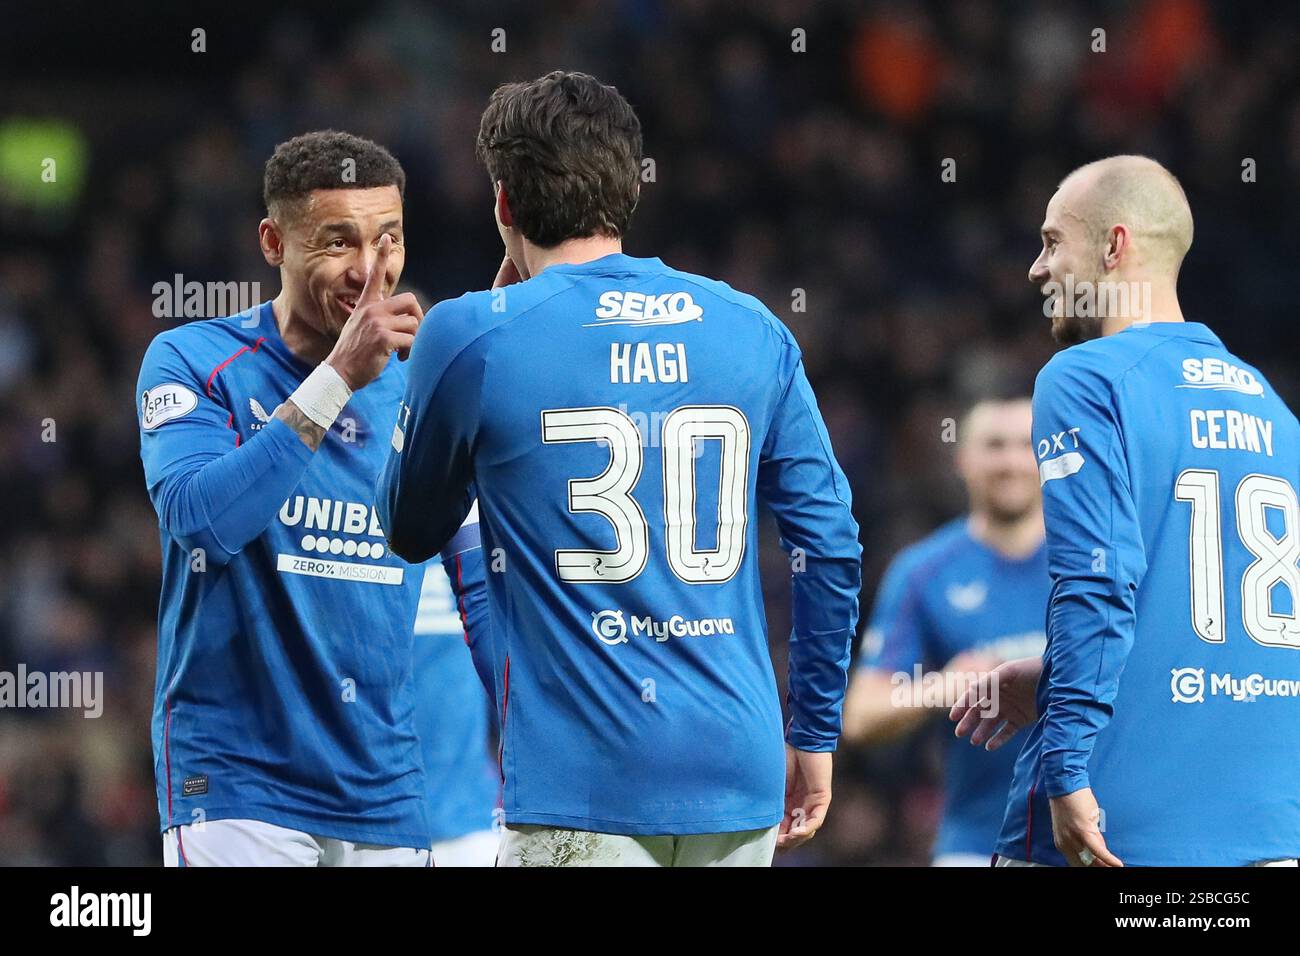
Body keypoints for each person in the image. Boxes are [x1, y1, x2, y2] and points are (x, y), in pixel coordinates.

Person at [377, 71, 862, 867]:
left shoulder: (470, 334)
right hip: (735, 770)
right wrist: (812, 730)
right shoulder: (751, 325)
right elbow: (832, 544)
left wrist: (463, 359)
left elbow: (408, 528)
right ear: (630, 186)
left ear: (503, 202)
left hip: (581, 781)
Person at [956, 155, 1300, 867]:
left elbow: (1095, 582)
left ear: (1113, 247)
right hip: (1265, 828)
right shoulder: (1274, 408)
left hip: (1120, 821)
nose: (1035, 268)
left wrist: (1067, 765)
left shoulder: (1087, 379)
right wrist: (1055, 675)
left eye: (1053, 242)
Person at [138, 130, 451, 865]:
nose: (370, 270)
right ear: (273, 242)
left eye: (389, 240)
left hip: (384, 787)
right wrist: (338, 377)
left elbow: (473, 579)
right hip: (238, 783)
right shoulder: (195, 361)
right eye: (338, 242)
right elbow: (203, 521)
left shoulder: (421, 386)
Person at [843, 397, 1046, 865]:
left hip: (1102, 835)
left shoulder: (1092, 561)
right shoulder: (924, 572)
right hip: (977, 842)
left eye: (1025, 445)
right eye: (994, 446)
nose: (1011, 461)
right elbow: (860, 715)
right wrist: (940, 687)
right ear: (963, 460)